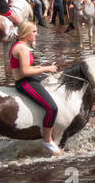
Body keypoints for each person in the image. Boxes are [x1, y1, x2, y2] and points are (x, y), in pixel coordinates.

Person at [10, 21, 63, 154]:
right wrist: (47, 68)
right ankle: (47, 140)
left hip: (27, 79)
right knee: (52, 108)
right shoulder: (22, 48)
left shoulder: (20, 45)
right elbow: (24, 72)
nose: (36, 34)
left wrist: (36, 68)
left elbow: (22, 67)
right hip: (24, 82)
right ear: (26, 33)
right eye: (34, 32)